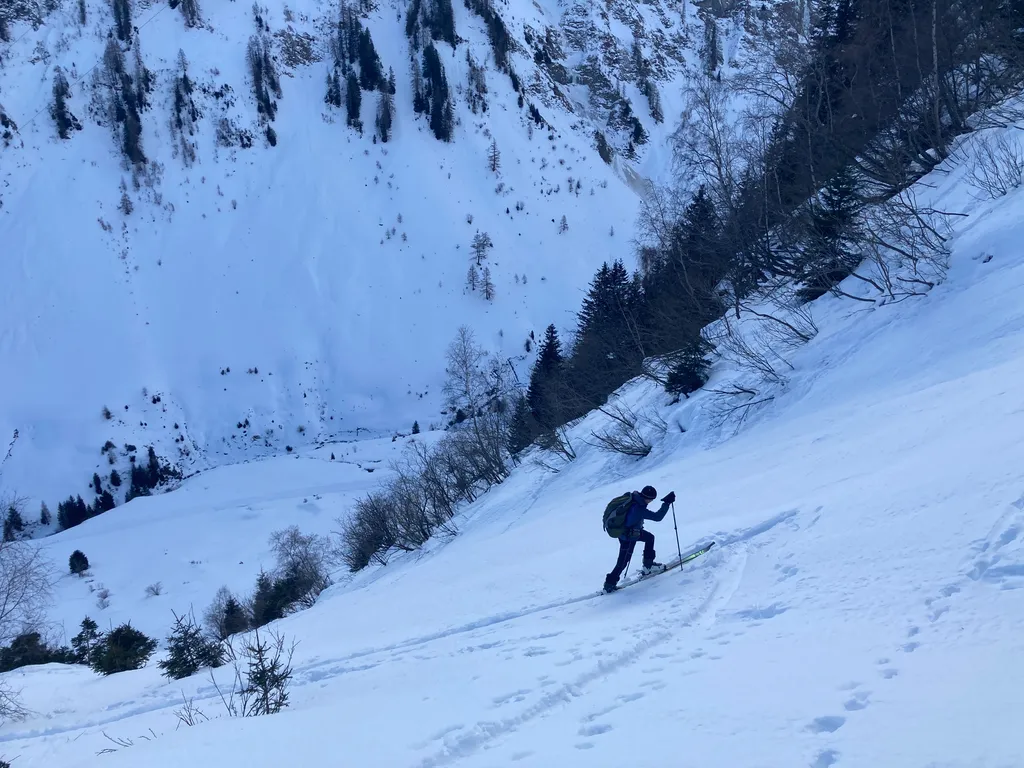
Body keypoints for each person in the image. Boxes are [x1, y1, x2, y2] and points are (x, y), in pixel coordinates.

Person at [603, 485, 676, 593]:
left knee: (650, 538)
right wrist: (667, 504)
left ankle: (648, 565)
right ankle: (609, 584)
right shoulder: (639, 508)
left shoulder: (633, 499)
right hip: (628, 537)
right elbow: (657, 517)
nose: (650, 502)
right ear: (648, 498)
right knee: (623, 562)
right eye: (651, 500)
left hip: (626, 533)